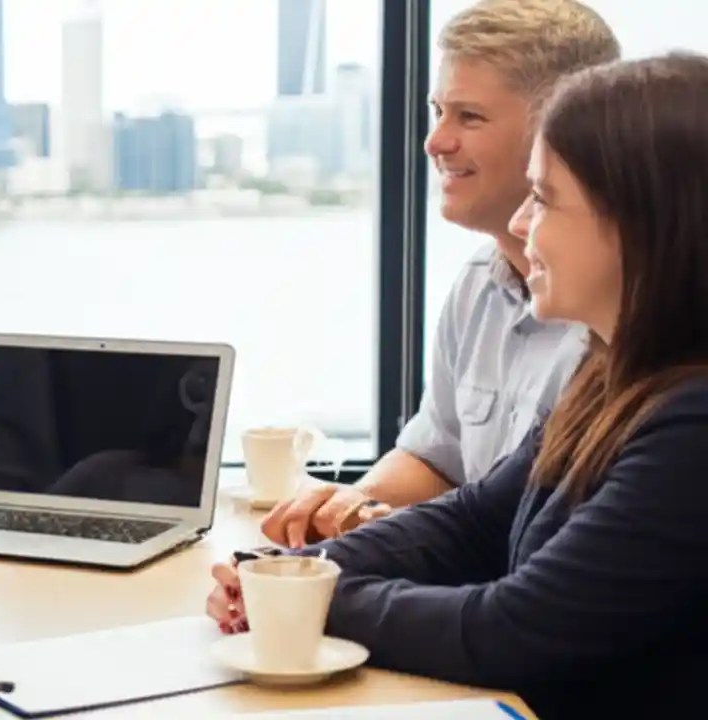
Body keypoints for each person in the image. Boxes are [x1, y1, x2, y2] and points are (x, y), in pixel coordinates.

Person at [211, 51, 708, 720]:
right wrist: (286, 569)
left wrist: (308, 596)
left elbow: (514, 629)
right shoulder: (610, 377)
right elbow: (475, 519)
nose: (523, 225)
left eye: (546, 199)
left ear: (640, 224)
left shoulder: (692, 427)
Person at [261, 0, 620, 547]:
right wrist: (350, 505)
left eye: (468, 117)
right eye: (438, 111)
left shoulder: (618, 314)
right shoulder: (480, 282)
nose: (435, 141)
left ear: (563, 129)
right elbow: (437, 458)